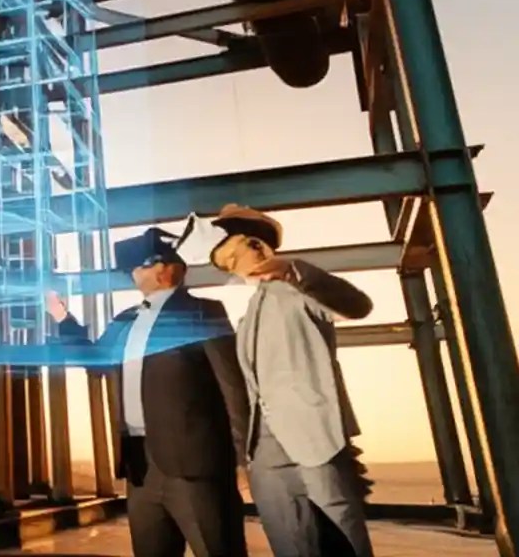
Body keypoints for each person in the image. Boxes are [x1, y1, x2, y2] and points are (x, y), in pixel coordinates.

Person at [47, 220, 249, 557]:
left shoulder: (203, 312)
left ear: (166, 269)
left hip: (196, 468)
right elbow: (96, 362)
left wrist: (245, 458)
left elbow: (232, 386)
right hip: (139, 468)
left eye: (143, 264)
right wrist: (61, 317)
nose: (136, 273)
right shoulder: (125, 320)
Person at [208, 204, 375, 557]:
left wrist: (294, 270)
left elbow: (358, 305)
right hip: (265, 447)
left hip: (313, 436)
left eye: (234, 256)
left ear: (257, 247)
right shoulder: (250, 312)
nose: (234, 268)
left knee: (340, 535)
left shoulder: (301, 290)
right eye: (229, 264)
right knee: (287, 537)